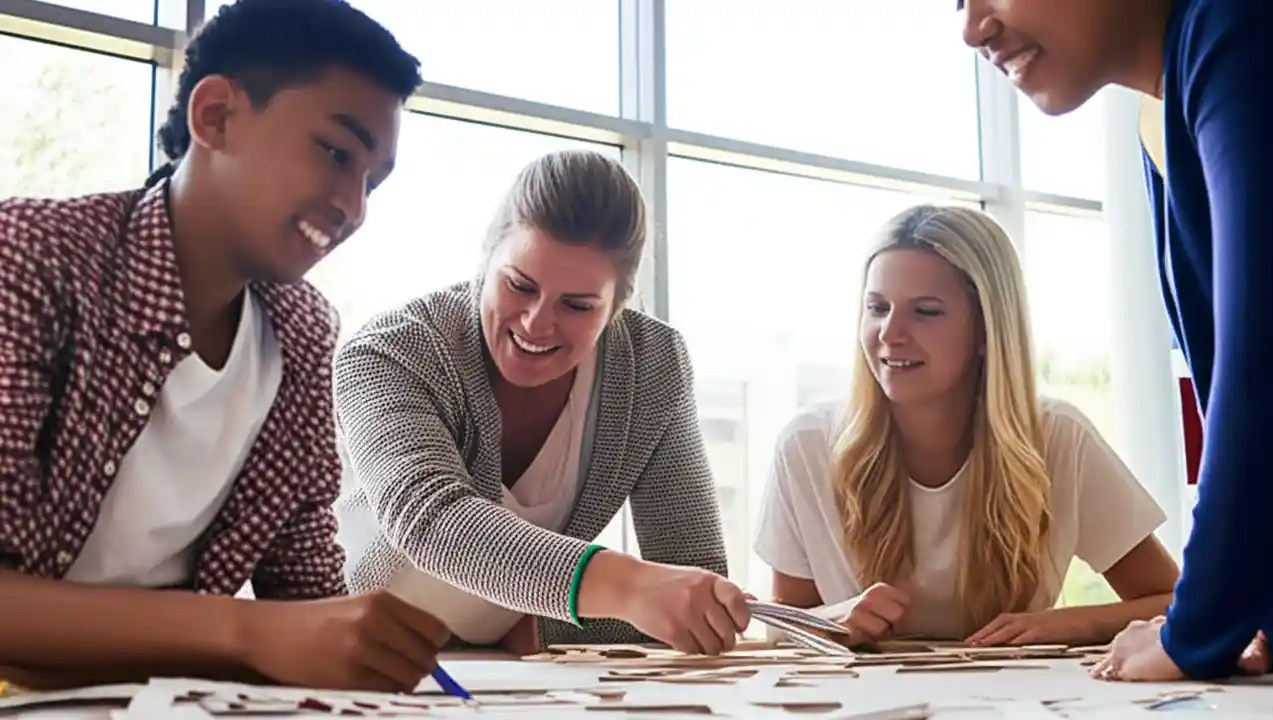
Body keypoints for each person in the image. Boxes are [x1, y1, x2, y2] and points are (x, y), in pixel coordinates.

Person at [0, 0, 449, 692]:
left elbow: (302, 595)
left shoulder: (302, 333)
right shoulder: (32, 259)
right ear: (215, 117)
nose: (354, 206)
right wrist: (243, 632)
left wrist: (356, 643)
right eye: (335, 152)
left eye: (373, 183)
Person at [957, 0, 1273, 681]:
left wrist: (1197, 629)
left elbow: (1264, 366)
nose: (972, 28)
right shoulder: (1157, 114)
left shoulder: (1240, 26)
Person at [333, 149, 750, 656]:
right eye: (519, 285)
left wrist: (539, 628)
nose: (536, 323)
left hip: (516, 671)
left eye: (577, 305)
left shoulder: (653, 366)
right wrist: (627, 588)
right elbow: (426, 517)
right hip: (349, 655)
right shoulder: (391, 351)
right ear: (485, 261)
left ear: (618, 304)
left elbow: (693, 580)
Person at [755, 205, 1179, 649]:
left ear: (985, 330)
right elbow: (782, 628)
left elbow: (1172, 600)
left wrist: (1070, 623)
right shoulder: (808, 444)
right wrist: (831, 622)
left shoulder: (1058, 437)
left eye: (926, 311)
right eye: (877, 307)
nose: (889, 333)